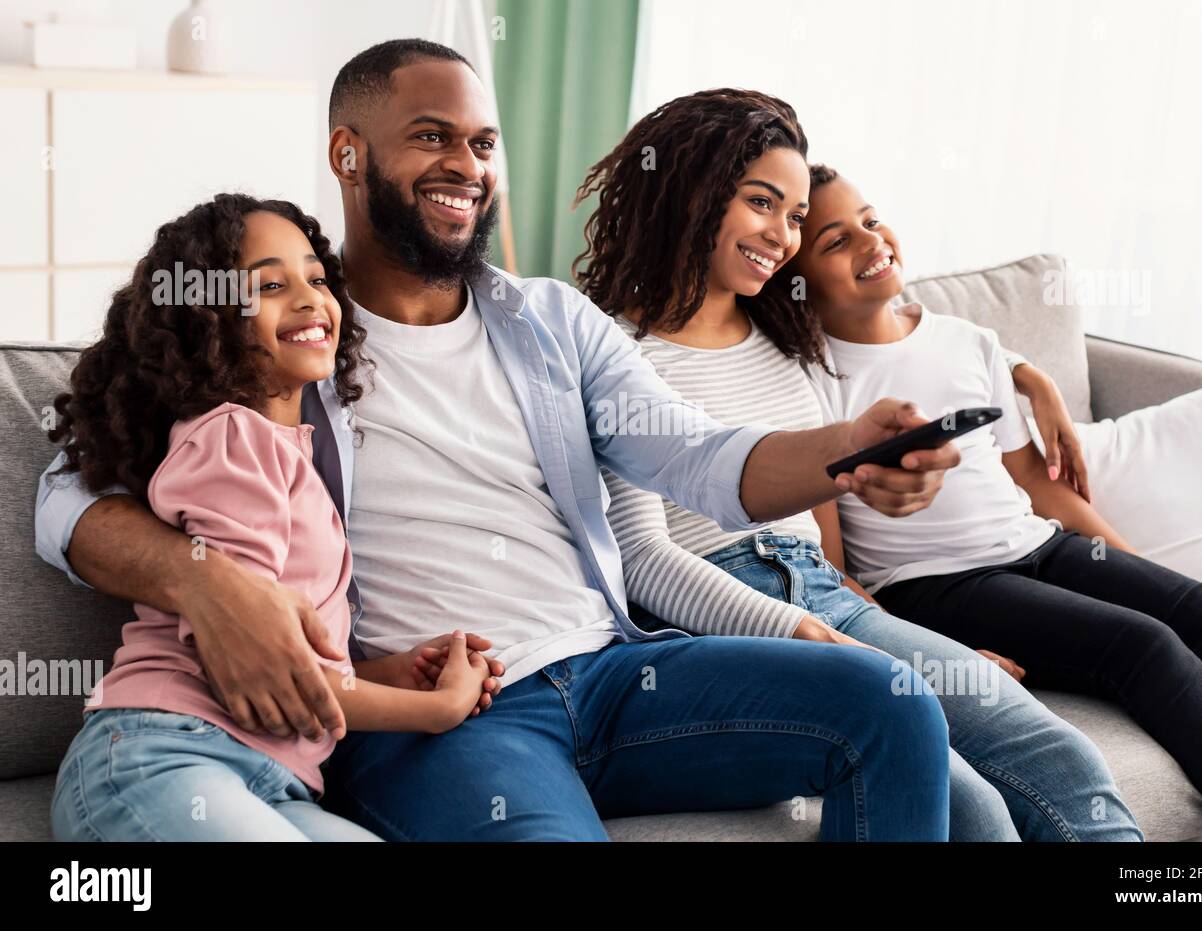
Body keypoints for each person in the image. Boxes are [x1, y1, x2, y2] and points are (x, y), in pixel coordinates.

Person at [35, 41, 959, 841]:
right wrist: (204, 579)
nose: (466, 165)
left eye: (482, 143)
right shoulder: (276, 343)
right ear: (348, 156)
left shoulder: (550, 319)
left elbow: (703, 461)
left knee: (893, 704)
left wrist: (847, 450)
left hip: (614, 672)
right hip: (452, 719)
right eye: (431, 136)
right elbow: (67, 495)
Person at [571, 88, 1140, 841]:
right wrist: (815, 634)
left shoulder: (787, 335)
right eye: (762, 203)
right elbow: (642, 560)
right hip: (724, 616)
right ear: (692, 191)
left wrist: (1026, 371)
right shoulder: (614, 351)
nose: (783, 236)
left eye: (797, 217)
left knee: (1059, 754)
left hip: (835, 599)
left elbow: (913, 342)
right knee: (974, 811)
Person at [792, 163, 1202, 841]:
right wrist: (935, 650)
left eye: (871, 218)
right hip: (937, 588)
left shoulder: (967, 340)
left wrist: (1149, 577)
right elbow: (830, 567)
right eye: (836, 240)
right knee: (1144, 646)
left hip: (1038, 544)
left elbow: (1036, 485)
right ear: (797, 288)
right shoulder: (813, 384)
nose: (870, 240)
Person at [47, 194, 499, 841]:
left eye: (317, 278)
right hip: (164, 757)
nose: (312, 298)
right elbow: (264, 664)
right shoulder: (234, 440)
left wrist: (385, 671)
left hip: (275, 781)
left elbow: (292, 661)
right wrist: (436, 707)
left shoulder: (291, 456)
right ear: (207, 320)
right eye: (271, 285)